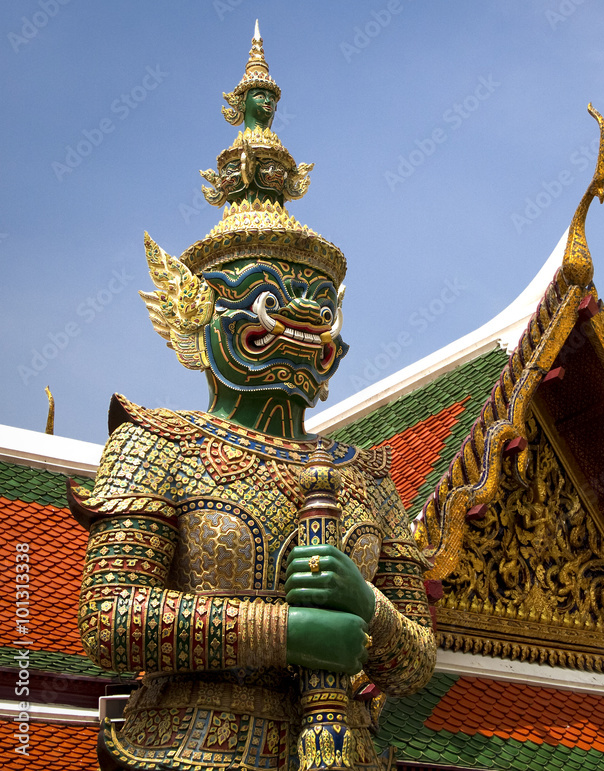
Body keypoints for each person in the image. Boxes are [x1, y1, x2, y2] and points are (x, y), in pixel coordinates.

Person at [73, 23, 435, 771]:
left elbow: (416, 661)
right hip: (190, 746)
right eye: (271, 298)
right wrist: (286, 630)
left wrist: (368, 609)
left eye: (318, 305)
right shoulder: (156, 443)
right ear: (200, 313)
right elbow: (109, 615)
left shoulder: (365, 475)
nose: (303, 322)